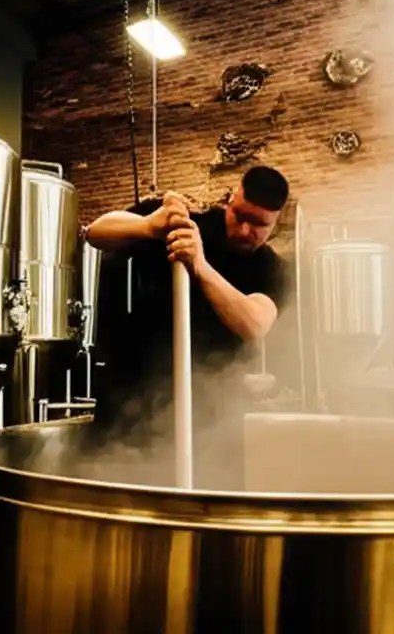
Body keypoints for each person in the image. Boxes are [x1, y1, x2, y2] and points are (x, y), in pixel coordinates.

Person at [84, 166, 290, 451]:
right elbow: (95, 233)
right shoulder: (184, 221)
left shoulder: (270, 268)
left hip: (206, 418)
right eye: (240, 215)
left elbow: (254, 324)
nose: (244, 230)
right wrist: (148, 227)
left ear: (275, 222)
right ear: (231, 199)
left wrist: (200, 267)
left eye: (259, 224)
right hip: (125, 402)